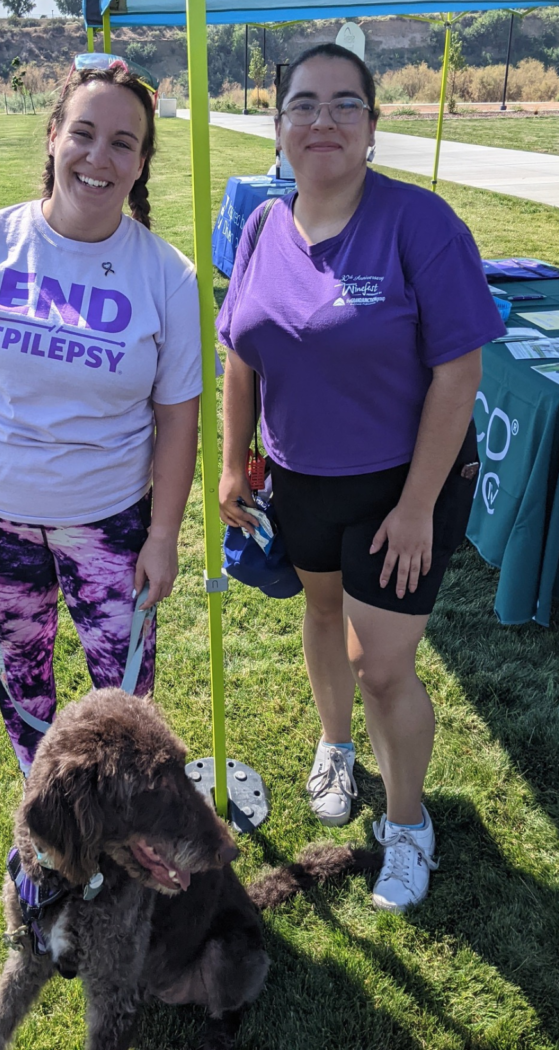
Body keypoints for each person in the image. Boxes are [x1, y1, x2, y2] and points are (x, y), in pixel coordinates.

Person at [218, 43, 505, 912]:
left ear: (374, 127)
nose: (324, 122)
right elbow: (240, 353)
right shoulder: (265, 225)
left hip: (403, 486)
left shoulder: (419, 223)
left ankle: (409, 824)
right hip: (302, 478)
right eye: (304, 105)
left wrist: (419, 506)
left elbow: (461, 371)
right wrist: (233, 463)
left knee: (382, 666)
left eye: (346, 105)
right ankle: (335, 748)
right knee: (322, 610)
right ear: (278, 129)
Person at [0, 60, 202, 776]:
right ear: (53, 136)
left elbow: (178, 420)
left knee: (125, 701)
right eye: (83, 133)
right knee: (25, 687)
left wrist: (162, 538)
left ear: (142, 161)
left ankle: (123, 833)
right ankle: (50, 826)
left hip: (112, 527)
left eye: (123, 143)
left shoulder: (166, 275)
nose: (99, 157)